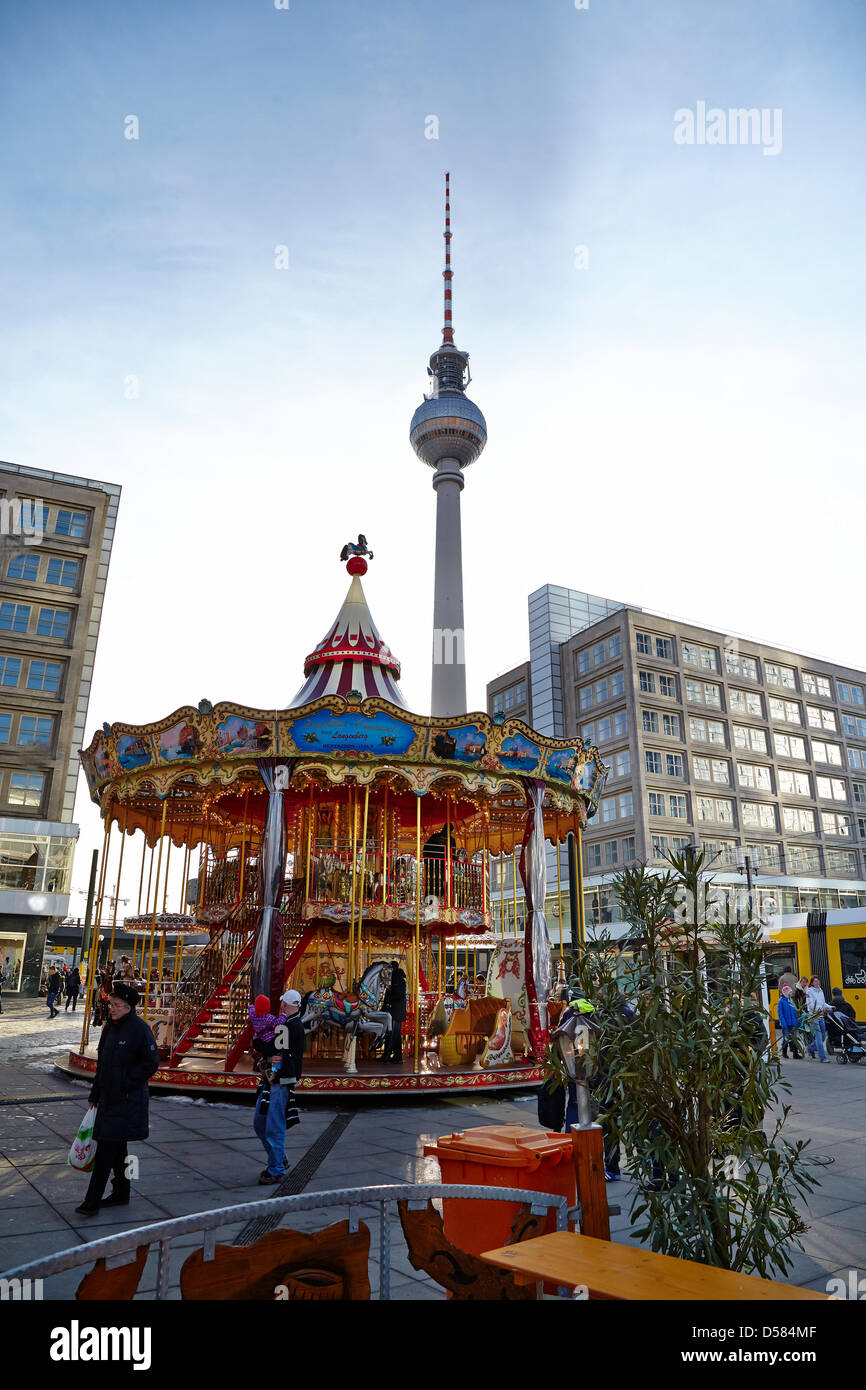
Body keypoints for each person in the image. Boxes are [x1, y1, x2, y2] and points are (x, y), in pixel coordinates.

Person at [75, 982, 159, 1216]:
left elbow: (150, 1063)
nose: (112, 1008)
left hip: (126, 1100)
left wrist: (126, 1084)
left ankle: (91, 1201)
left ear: (129, 1007)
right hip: (108, 1098)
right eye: (111, 1004)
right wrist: (95, 1092)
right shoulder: (110, 1029)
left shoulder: (140, 1030)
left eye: (117, 1005)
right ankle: (123, 1191)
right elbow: (102, 1064)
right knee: (118, 1148)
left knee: (105, 1150)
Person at [254, 989, 304, 1185]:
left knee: (273, 1126)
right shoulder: (291, 1024)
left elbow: (270, 1047)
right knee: (261, 1123)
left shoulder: (288, 1026)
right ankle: (279, 1158)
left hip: (280, 1081)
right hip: (274, 1078)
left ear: (285, 1004)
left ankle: (276, 1168)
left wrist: (257, 1041)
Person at [381, 960, 407, 1064]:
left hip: (396, 1011)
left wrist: (389, 1001)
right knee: (394, 1035)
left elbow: (397, 995)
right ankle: (397, 1057)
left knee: (392, 1034)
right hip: (395, 1010)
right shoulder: (394, 979)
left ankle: (387, 1055)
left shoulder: (398, 980)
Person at [805, 976, 828, 1062]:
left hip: (821, 1016)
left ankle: (810, 1048)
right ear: (812, 983)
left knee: (823, 1037)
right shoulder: (809, 992)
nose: (817, 983)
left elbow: (823, 1003)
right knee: (818, 1037)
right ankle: (823, 1057)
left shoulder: (821, 990)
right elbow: (810, 1005)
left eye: (818, 981)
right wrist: (820, 1010)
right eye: (815, 981)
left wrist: (831, 1007)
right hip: (813, 1016)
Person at [777, 985, 802, 1059]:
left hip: (792, 1023)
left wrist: (797, 1022)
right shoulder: (781, 1001)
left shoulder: (791, 1000)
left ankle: (795, 1053)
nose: (791, 994)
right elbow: (780, 1014)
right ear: (786, 993)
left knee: (794, 1038)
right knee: (786, 1038)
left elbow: (794, 1012)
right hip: (786, 1024)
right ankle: (784, 1052)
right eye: (790, 992)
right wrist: (783, 1023)